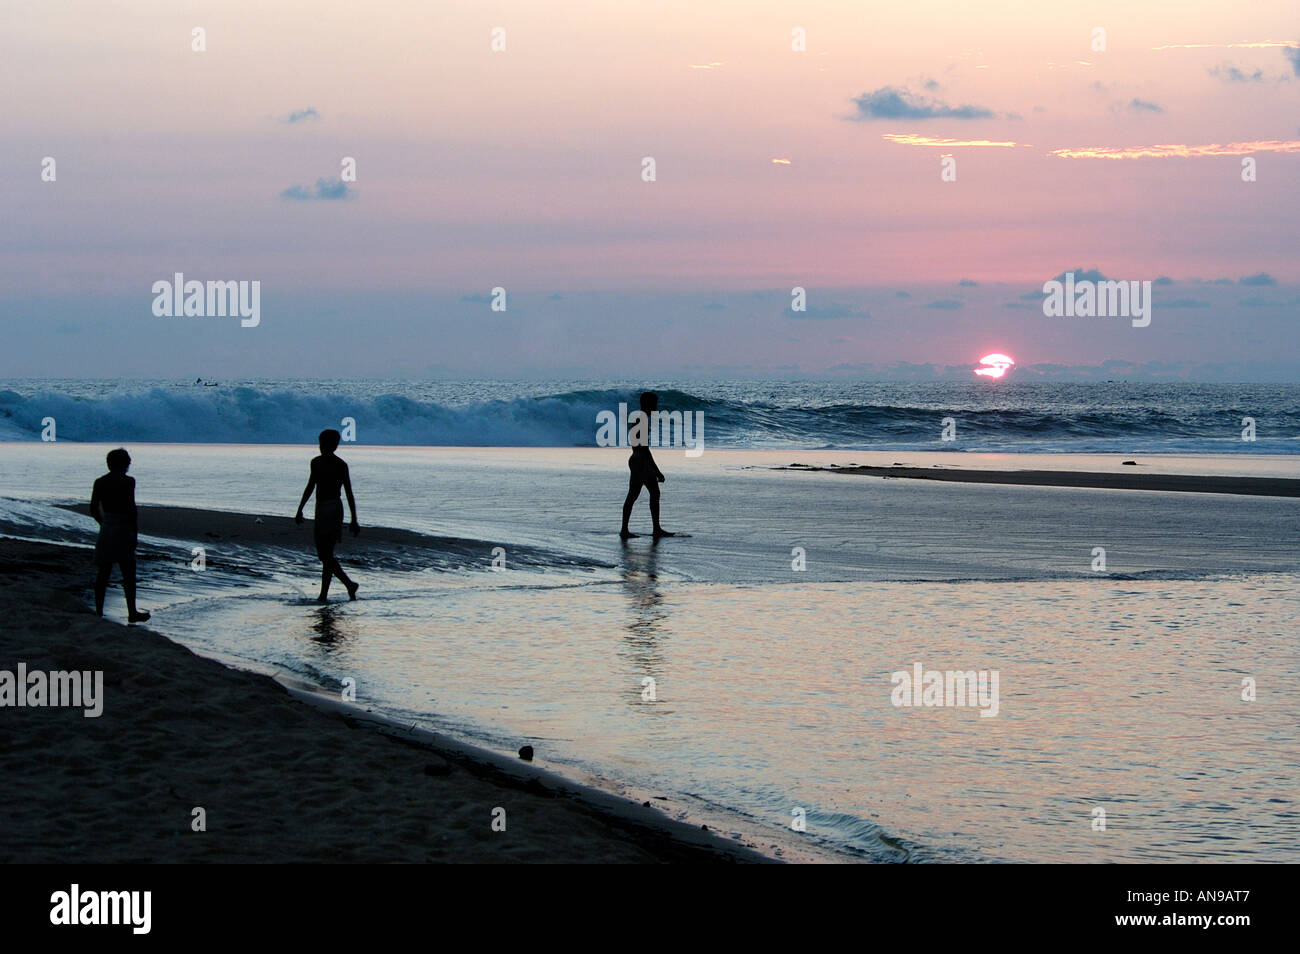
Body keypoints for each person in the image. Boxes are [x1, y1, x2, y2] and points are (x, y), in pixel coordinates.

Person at [295, 429, 360, 602]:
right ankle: (343, 587)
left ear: (334, 446)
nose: (322, 447)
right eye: (321, 443)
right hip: (320, 508)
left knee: (326, 554)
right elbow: (310, 486)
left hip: (333, 509)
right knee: (324, 555)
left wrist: (354, 519)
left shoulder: (340, 465)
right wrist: (300, 508)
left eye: (325, 444)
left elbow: (348, 492)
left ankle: (328, 592)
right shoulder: (315, 462)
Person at [90, 448, 150, 623]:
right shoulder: (129, 482)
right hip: (123, 525)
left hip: (108, 525)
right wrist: (134, 532)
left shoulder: (100, 482)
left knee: (104, 571)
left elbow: (93, 508)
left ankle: (99, 611)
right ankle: (132, 612)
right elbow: (131, 508)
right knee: (128, 572)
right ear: (124, 464)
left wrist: (103, 523)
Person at [620, 392, 674, 539]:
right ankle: (626, 530)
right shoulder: (641, 419)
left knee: (648, 494)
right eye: (654, 404)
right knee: (634, 495)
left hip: (638, 460)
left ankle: (653, 528)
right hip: (640, 461)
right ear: (646, 404)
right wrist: (657, 471)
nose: (656, 407)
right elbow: (644, 448)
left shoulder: (640, 418)